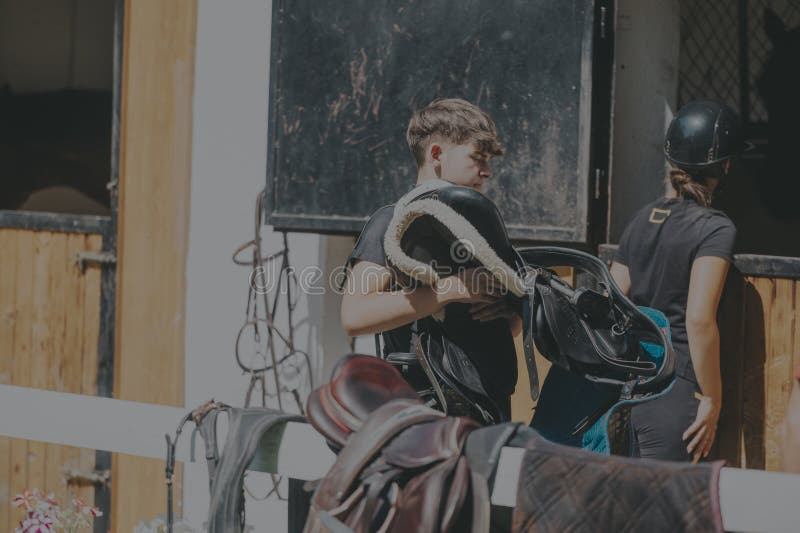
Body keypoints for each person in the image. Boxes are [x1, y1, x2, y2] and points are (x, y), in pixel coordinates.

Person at [339, 98, 520, 420]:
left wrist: (509, 310)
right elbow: (355, 315)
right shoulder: (391, 220)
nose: (488, 172)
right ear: (437, 154)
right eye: (478, 158)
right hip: (423, 406)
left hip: (486, 403)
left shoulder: (480, 225)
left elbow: (507, 327)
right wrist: (449, 290)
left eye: (489, 161)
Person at [610, 100, 745, 462]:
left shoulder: (641, 218)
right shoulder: (715, 228)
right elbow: (699, 319)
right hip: (677, 393)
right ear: (726, 166)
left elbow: (612, 296)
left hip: (627, 392)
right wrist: (713, 398)